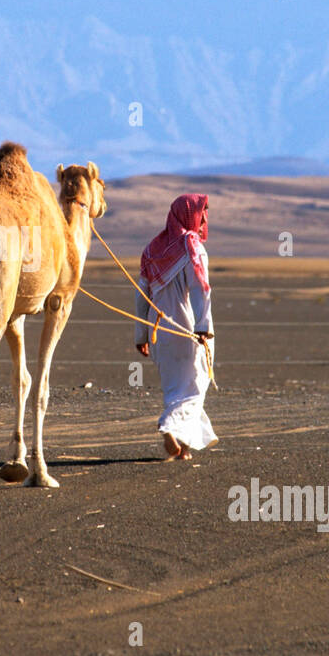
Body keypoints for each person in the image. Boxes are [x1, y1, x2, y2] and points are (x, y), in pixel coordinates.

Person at [133, 194, 217, 461]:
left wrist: (141, 333)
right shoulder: (191, 245)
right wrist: (203, 325)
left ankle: (183, 448)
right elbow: (200, 286)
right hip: (188, 330)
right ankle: (168, 424)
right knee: (193, 387)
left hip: (160, 334)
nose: (204, 218)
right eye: (201, 212)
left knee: (175, 389)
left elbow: (141, 295)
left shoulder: (151, 250)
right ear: (188, 214)